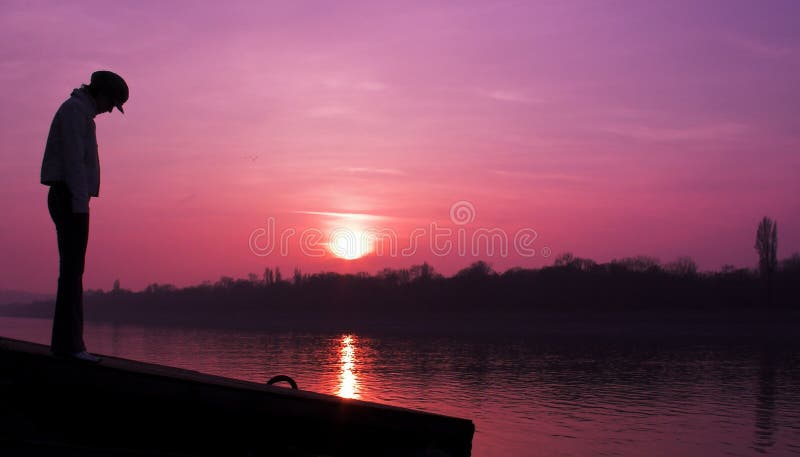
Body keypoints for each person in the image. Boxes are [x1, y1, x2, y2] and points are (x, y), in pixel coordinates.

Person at [40, 70, 129, 362]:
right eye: (111, 103)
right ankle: (71, 347)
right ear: (100, 93)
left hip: (70, 197)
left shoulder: (80, 113)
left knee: (71, 272)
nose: (109, 110)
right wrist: (81, 205)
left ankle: (66, 344)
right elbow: (74, 163)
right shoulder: (76, 112)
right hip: (70, 198)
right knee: (71, 273)